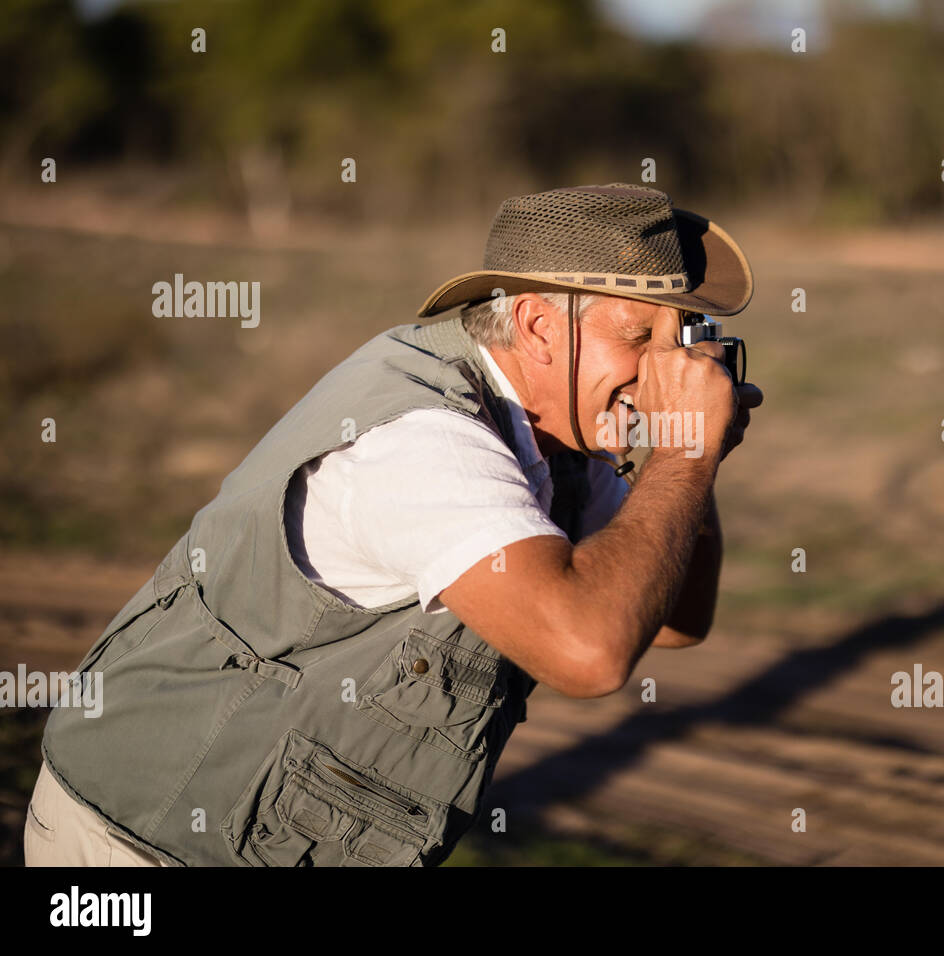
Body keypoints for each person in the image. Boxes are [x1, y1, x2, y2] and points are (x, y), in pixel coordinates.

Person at [26, 182, 762, 866]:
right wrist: (683, 454)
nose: (671, 366)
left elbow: (673, 621)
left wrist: (697, 453)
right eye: (642, 336)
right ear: (540, 326)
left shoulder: (554, 431)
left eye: (684, 338)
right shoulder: (423, 441)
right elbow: (589, 654)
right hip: (140, 842)